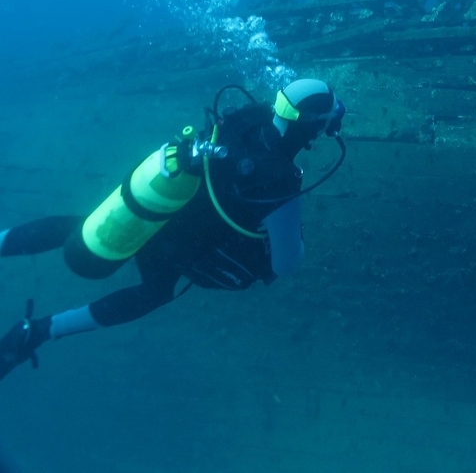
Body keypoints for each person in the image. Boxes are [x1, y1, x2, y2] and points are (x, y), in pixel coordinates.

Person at [0, 78, 346, 381]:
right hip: (181, 247)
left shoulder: (249, 116)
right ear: (313, 128)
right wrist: (292, 228)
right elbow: (285, 265)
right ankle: (40, 331)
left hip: (160, 207)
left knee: (85, 224)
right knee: (156, 293)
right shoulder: (282, 183)